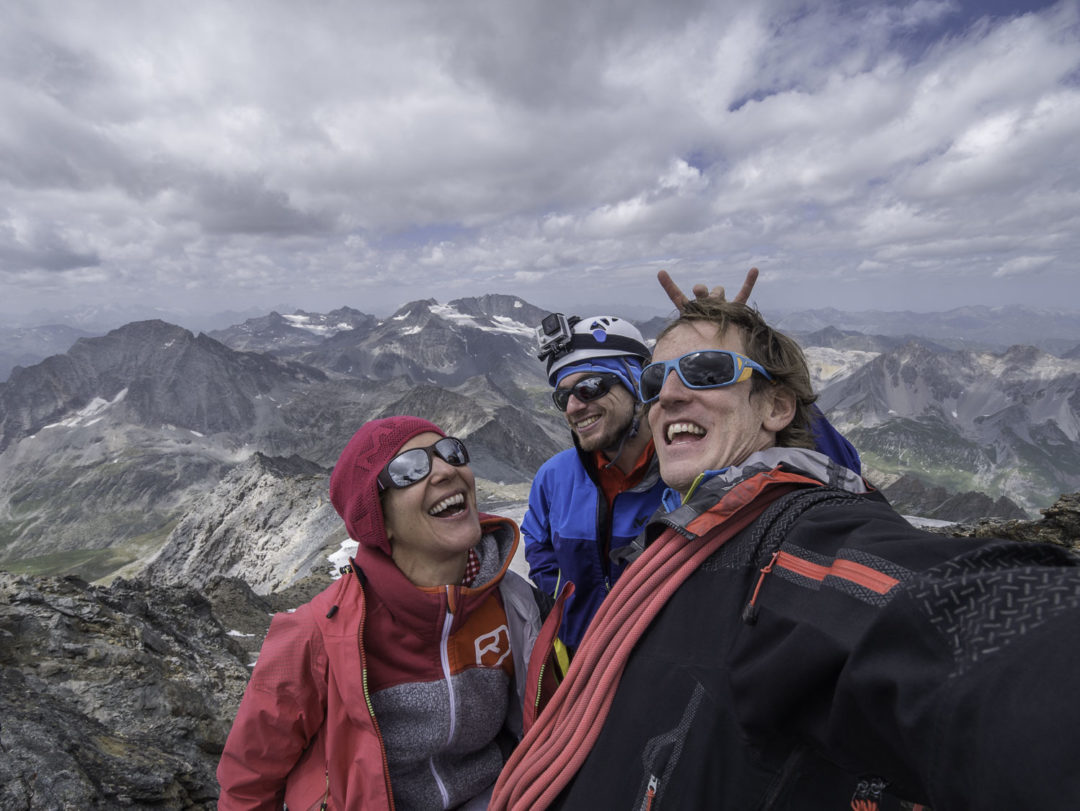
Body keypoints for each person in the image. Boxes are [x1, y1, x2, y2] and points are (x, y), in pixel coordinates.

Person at [492, 279, 1080, 810]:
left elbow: (931, 612)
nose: (667, 396)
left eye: (704, 371)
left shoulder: (781, 538)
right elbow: (545, 553)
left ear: (776, 405)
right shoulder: (598, 494)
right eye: (658, 379)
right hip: (598, 676)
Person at [217, 416, 565, 810]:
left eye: (451, 452)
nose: (446, 470)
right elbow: (249, 782)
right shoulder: (318, 633)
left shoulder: (516, 605)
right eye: (409, 470)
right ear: (378, 519)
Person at [522, 269, 860, 654]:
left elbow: (832, 475)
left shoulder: (694, 471)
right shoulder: (554, 478)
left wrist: (747, 358)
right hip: (586, 670)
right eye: (561, 397)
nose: (574, 406)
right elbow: (541, 552)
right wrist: (572, 615)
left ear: (636, 386)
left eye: (589, 388)